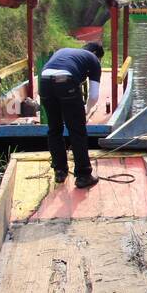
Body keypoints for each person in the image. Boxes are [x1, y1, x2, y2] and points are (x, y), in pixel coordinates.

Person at [38, 42, 105, 189]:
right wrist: (86, 110)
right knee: (77, 130)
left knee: (54, 128)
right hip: (65, 80)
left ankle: (60, 171)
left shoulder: (65, 51)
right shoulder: (93, 60)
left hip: (44, 82)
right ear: (96, 54)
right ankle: (83, 175)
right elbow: (93, 96)